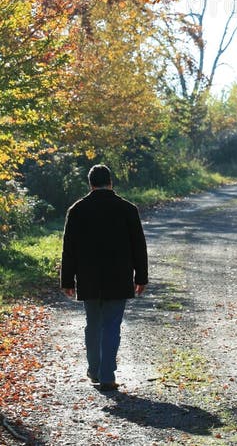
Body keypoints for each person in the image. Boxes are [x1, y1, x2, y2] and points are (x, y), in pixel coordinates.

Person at [60, 164, 148, 392]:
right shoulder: (128, 209)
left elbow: (68, 248)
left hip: (89, 277)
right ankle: (107, 375)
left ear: (90, 183)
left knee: (93, 324)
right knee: (111, 326)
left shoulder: (77, 210)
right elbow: (139, 246)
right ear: (111, 182)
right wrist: (141, 277)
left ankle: (95, 369)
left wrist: (67, 280)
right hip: (118, 277)